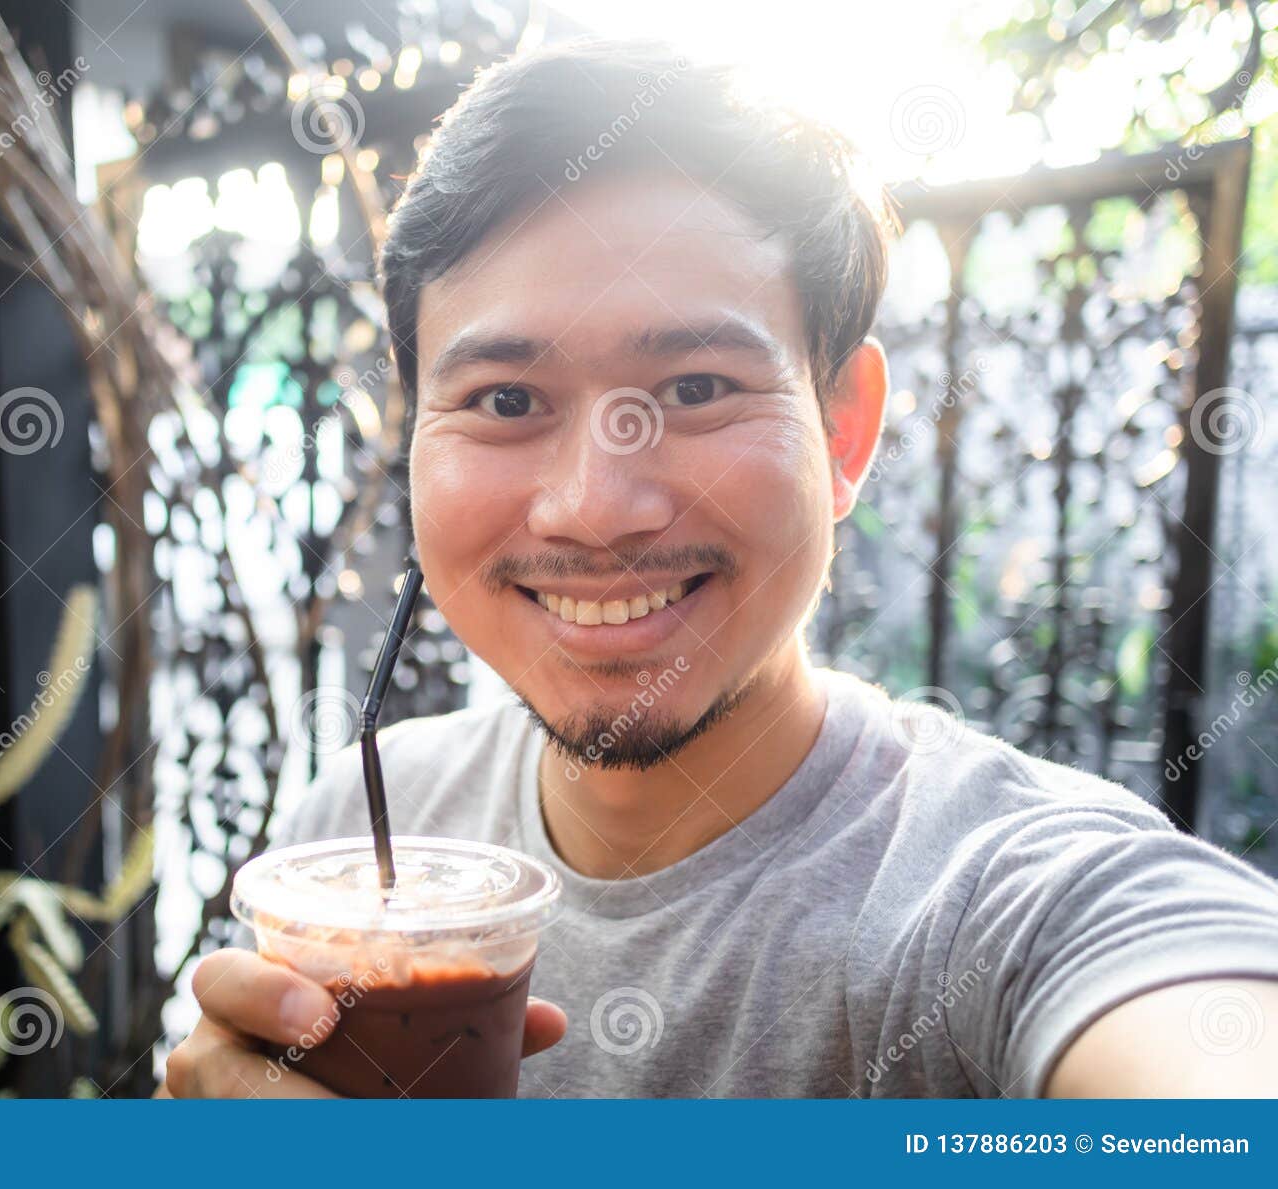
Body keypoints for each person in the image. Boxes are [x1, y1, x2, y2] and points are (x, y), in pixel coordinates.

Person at [163, 39, 1278, 1099]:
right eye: (506, 400)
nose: (595, 508)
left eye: (696, 388)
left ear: (843, 431)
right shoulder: (365, 822)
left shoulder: (1002, 896)